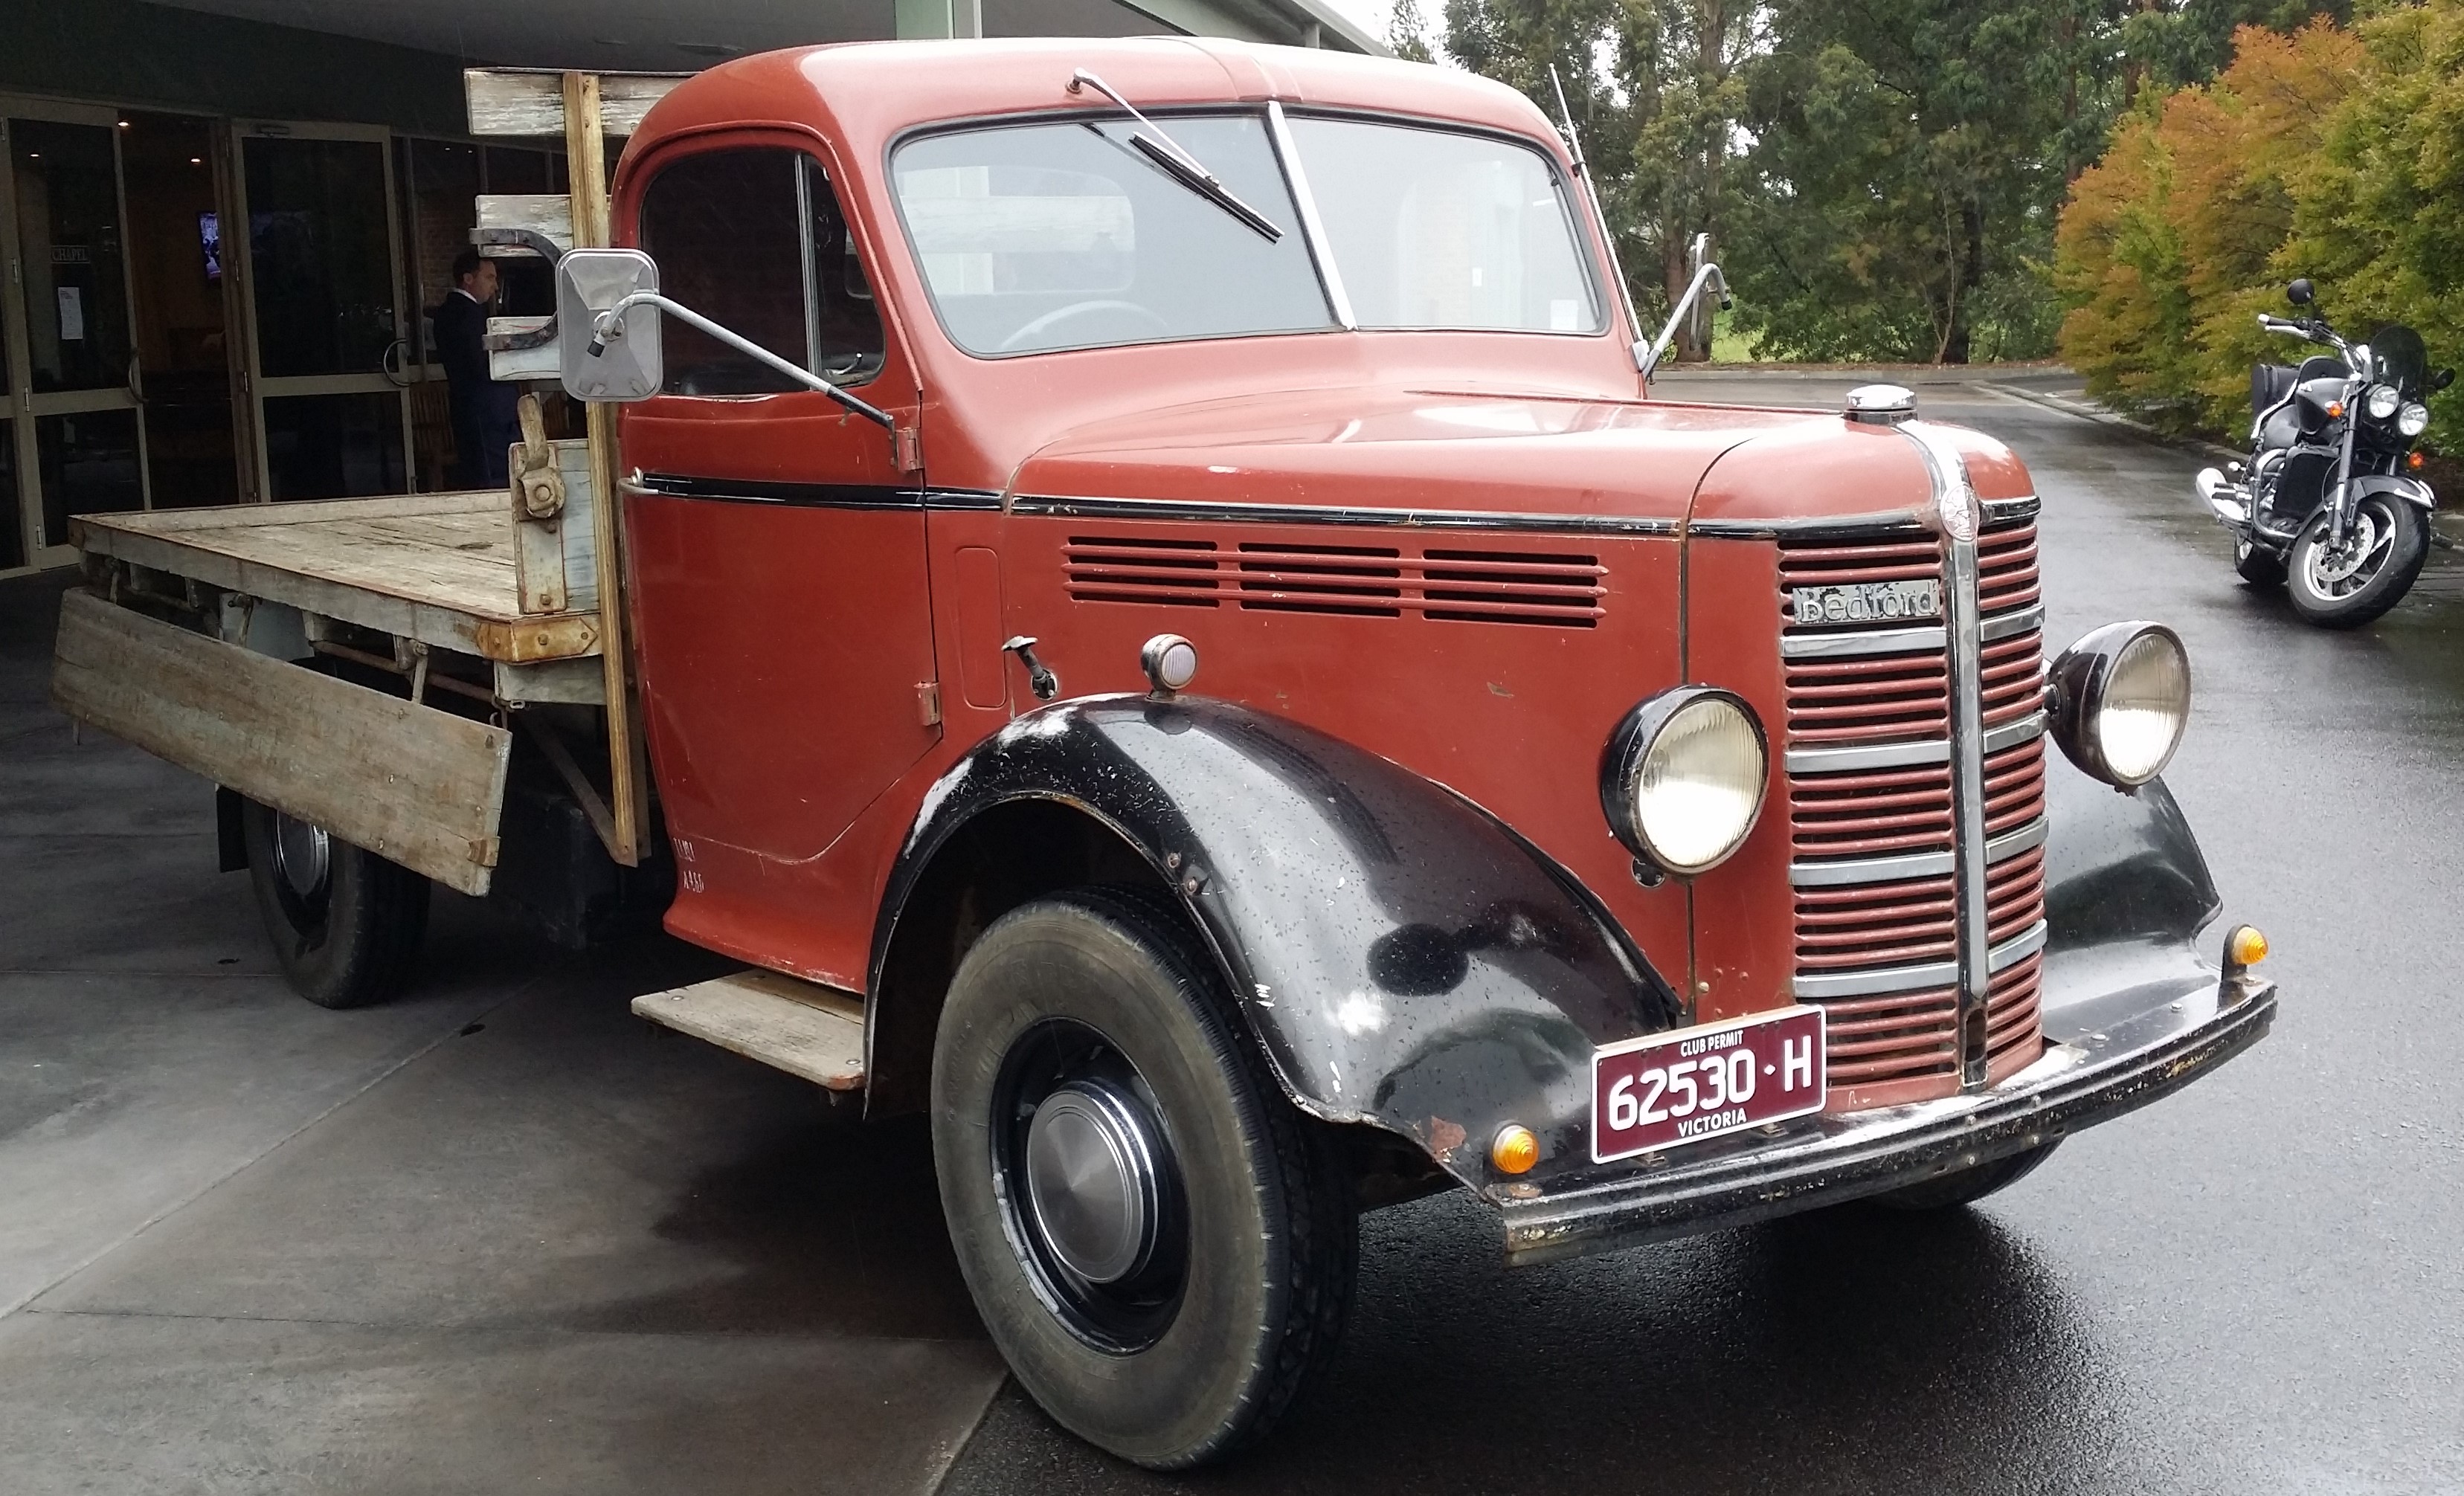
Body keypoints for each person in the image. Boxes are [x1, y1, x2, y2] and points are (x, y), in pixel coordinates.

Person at [431, 248, 520, 489]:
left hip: (482, 406)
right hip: (485, 408)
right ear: (468, 278)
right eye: (489, 278)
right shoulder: (463, 314)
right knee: (494, 475)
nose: (495, 286)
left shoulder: (459, 313)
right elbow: (477, 362)